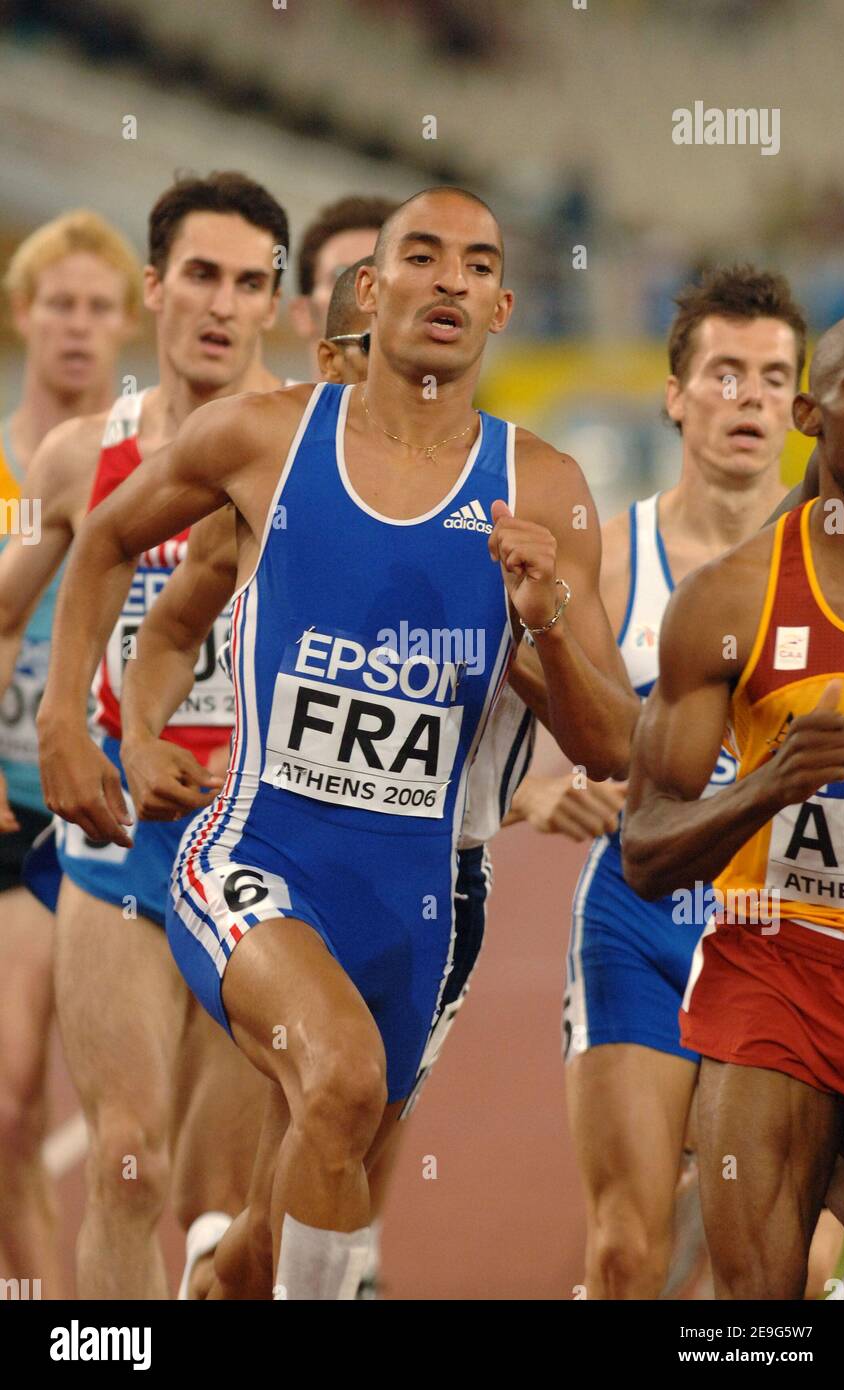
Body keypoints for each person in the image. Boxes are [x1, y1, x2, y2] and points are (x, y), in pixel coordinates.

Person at [37, 186, 638, 1300]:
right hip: (256, 854)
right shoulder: (266, 437)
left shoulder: (542, 489)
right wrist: (78, 722)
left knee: (287, 1213)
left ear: (502, 305)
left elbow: (609, 742)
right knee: (338, 1081)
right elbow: (111, 539)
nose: (447, 279)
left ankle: (222, 1279)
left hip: (421, 905)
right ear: (372, 284)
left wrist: (547, 610)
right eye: (422, 255)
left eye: (474, 265)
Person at [0, 170, 289, 1298]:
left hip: (252, 852)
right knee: (125, 1164)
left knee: (222, 1212)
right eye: (202, 276)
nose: (222, 305)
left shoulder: (307, 450)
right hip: (114, 843)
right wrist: (60, 724)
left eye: (250, 284)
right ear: (156, 286)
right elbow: (13, 604)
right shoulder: (78, 454)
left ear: (273, 304)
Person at [563, 265, 807, 1298]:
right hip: (640, 920)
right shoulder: (613, 561)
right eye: (721, 373)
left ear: (799, 405)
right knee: (628, 1246)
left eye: (768, 378)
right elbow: (526, 725)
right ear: (673, 394)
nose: (744, 398)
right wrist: (535, 798)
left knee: (749, 1257)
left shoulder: (830, 572)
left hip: (785, 928)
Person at [621, 307, 844, 1299]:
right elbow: (643, 845)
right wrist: (765, 784)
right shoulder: (732, 599)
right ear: (811, 411)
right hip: (778, 967)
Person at [0, 210, 140, 1297]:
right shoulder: (6, 465)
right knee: (8, 1099)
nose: (80, 327)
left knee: (135, 1128)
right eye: (61, 305)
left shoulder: (153, 459)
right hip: (12, 814)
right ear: (23, 316)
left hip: (129, 817)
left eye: (100, 306)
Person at [289, 195, 397, 378]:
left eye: (384, 276)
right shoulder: (257, 406)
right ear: (304, 314)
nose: (366, 291)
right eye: (343, 276)